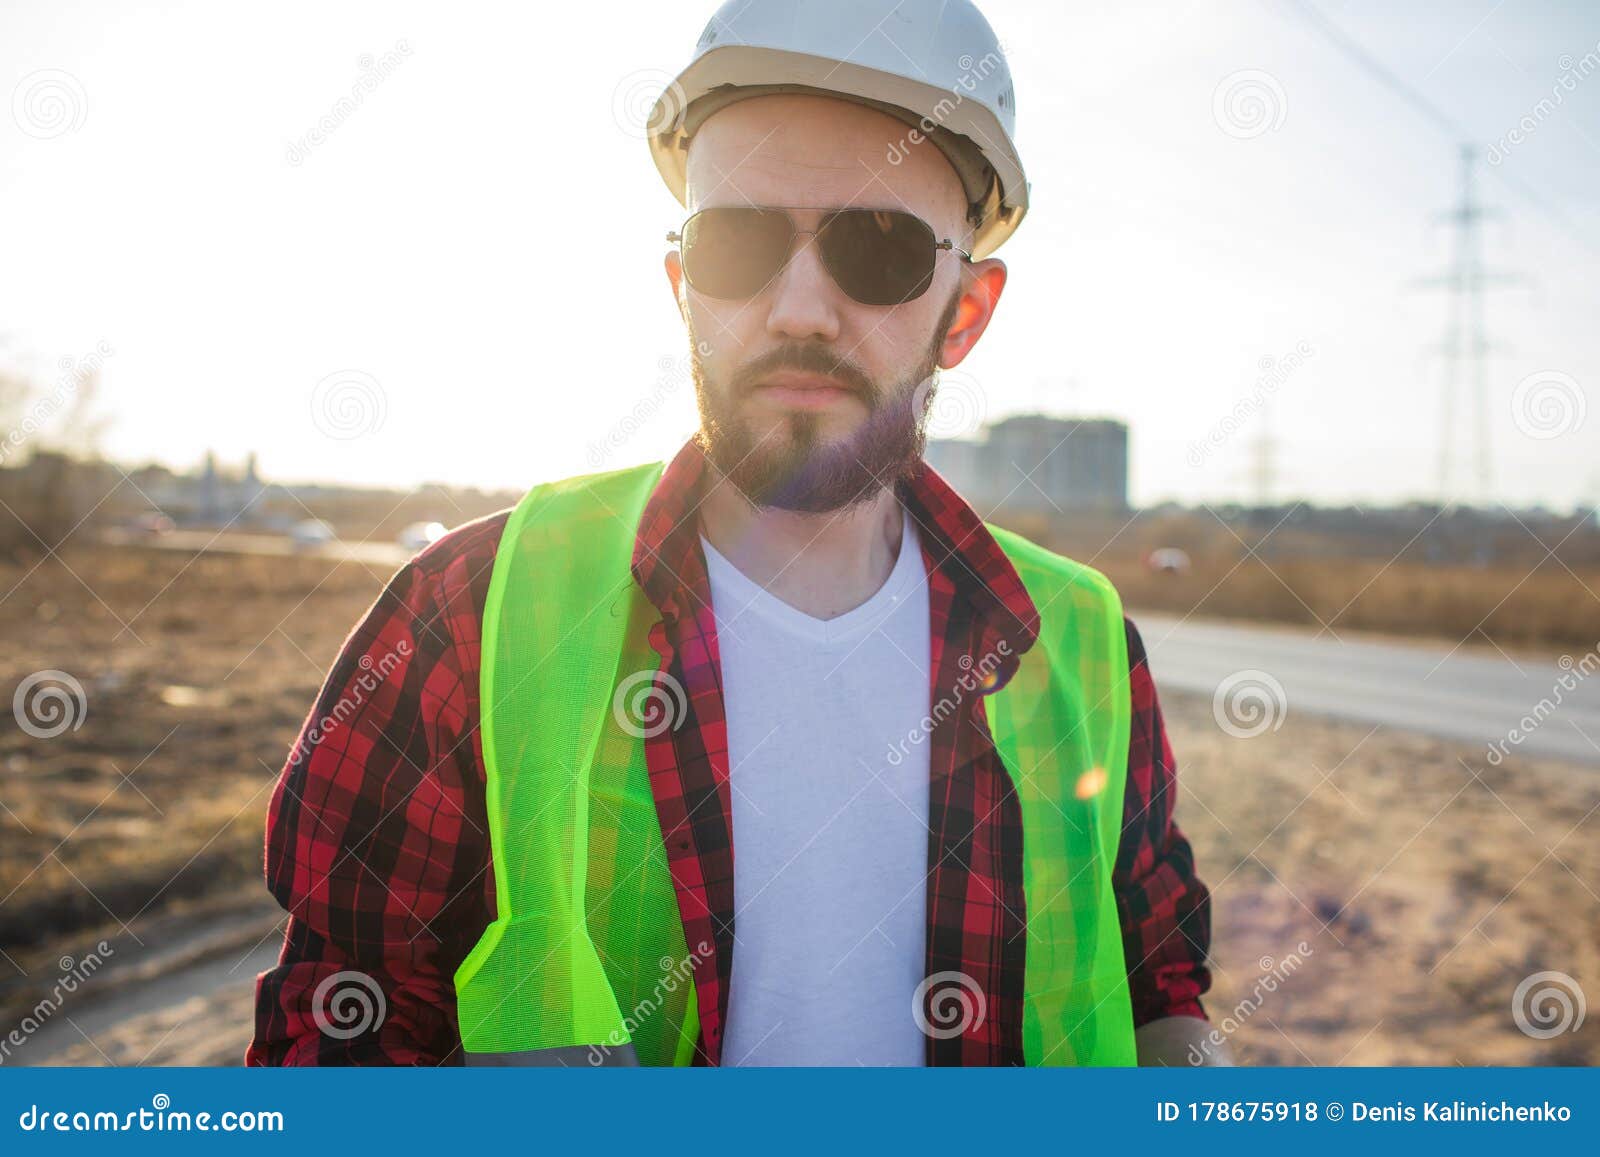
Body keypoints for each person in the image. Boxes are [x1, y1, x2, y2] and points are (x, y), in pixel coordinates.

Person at [248, 0, 1224, 1067]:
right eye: (739, 241)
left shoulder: (1077, 638)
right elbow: (338, 1028)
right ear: (682, 286)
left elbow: (1156, 982)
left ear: (966, 309)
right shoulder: (473, 608)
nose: (799, 305)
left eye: (879, 247)